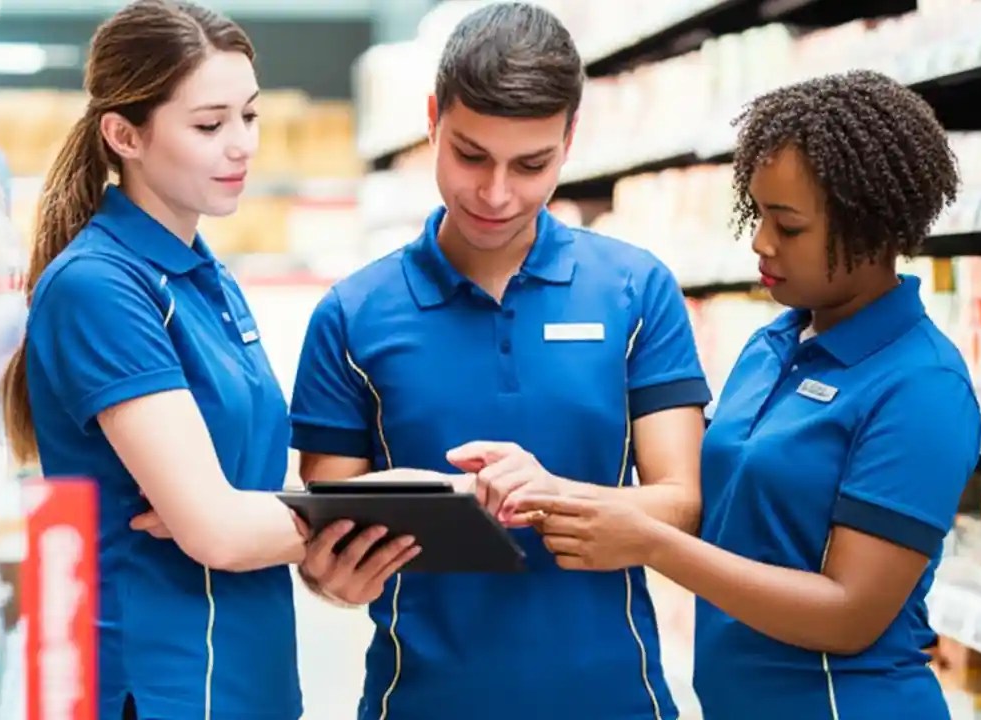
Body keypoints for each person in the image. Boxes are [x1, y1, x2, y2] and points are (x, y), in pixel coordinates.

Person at [0, 2, 425, 718]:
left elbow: (236, 508)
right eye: (208, 124)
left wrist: (263, 517)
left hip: (246, 670)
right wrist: (386, 502)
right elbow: (218, 531)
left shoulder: (205, 275)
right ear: (123, 134)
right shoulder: (99, 287)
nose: (242, 146)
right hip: (160, 681)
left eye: (249, 117)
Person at [288, 4, 711, 719]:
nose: (495, 193)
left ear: (570, 140)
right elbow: (331, 538)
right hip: (420, 701)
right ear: (432, 120)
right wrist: (332, 578)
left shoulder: (637, 292)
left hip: (615, 700)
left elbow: (681, 504)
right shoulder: (352, 316)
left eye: (531, 164)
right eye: (471, 154)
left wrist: (555, 496)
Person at [516, 70, 980, 720]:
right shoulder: (772, 346)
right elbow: (733, 515)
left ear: (873, 230)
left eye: (787, 226)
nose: (760, 241)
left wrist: (651, 545)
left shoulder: (922, 386)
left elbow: (850, 615)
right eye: (757, 212)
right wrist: (559, 492)